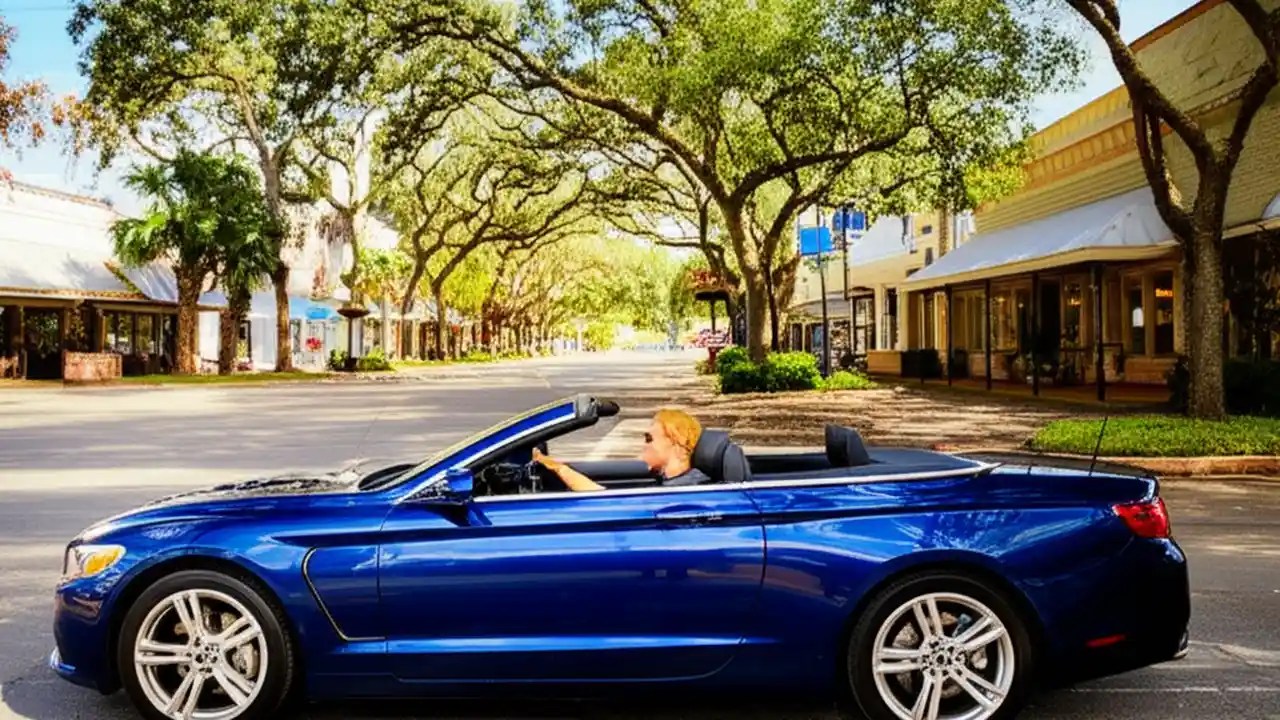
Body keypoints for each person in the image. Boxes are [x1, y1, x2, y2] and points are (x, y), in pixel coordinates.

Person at [533, 409, 711, 492]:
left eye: (649, 439)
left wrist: (558, 468)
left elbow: (602, 498)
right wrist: (556, 467)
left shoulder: (679, 491)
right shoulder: (677, 483)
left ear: (675, 442)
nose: (644, 445)